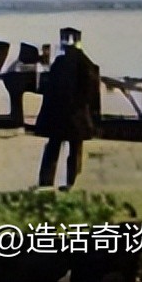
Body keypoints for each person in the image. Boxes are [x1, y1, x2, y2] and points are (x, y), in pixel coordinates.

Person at [35, 27, 101, 190]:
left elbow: (49, 90)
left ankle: (45, 183)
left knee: (53, 149)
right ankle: (71, 184)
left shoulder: (60, 63)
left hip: (60, 115)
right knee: (75, 150)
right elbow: (92, 93)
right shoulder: (87, 63)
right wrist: (91, 114)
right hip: (76, 115)